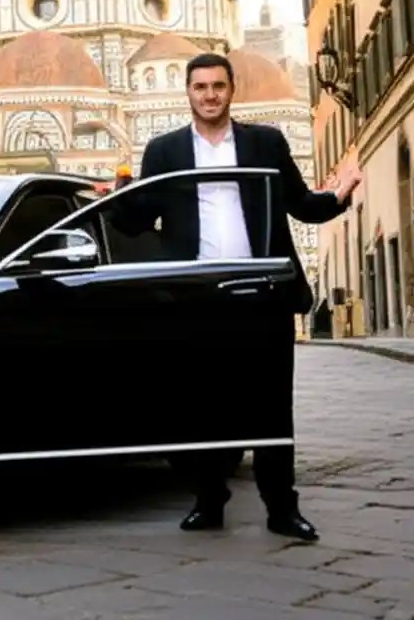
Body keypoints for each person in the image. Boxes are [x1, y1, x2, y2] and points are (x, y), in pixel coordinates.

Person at [109, 52, 360, 542]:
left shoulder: (265, 142)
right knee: (198, 405)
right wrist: (117, 197)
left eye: (218, 86)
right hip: (196, 297)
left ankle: (282, 510)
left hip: (260, 291)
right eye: (200, 87)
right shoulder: (164, 152)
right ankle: (209, 501)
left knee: (272, 406)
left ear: (231, 90)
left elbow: (301, 205)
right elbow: (140, 218)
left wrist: (341, 192)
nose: (209, 95)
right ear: (188, 92)